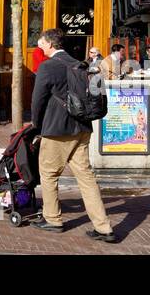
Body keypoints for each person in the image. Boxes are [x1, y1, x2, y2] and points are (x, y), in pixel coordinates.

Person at [30, 28, 117, 243]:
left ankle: (53, 219)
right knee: (86, 178)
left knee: (49, 173)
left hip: (57, 130)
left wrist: (36, 126)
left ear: (50, 44)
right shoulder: (80, 64)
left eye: (41, 43)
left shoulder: (47, 67)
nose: (39, 46)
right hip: (83, 128)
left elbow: (37, 101)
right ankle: (103, 227)